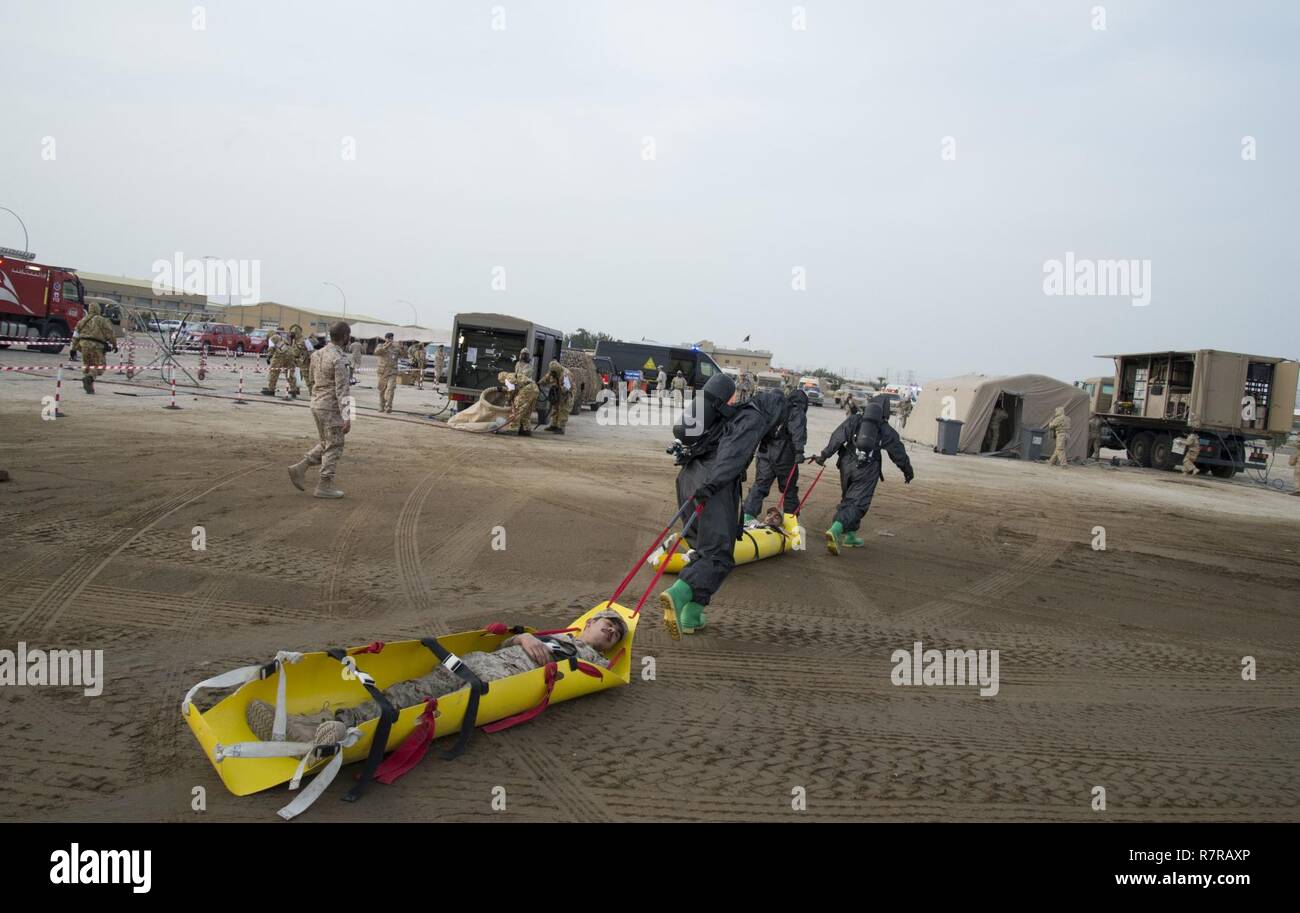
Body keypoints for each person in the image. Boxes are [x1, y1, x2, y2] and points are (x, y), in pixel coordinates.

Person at [245, 611, 628, 743]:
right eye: (608, 626)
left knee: (412, 708)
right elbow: (509, 639)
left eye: (614, 636)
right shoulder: (553, 635)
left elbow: (599, 676)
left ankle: (318, 731)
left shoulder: (595, 661)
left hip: (495, 683)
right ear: (590, 622)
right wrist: (525, 635)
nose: (610, 633)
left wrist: (601, 659)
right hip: (473, 664)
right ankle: (315, 725)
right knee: (403, 693)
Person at [658, 377, 786, 638]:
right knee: (718, 555)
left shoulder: (730, 411)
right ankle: (679, 592)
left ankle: (692, 616)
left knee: (702, 549)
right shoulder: (754, 418)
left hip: (689, 477)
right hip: (713, 483)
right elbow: (732, 454)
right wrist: (714, 485)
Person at [812, 401, 913, 554]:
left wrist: (824, 456)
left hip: (846, 465)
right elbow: (898, 452)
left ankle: (851, 536)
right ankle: (836, 528)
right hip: (867, 468)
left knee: (849, 498)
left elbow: (837, 437)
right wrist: (907, 471)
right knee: (857, 503)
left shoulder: (854, 419)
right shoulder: (885, 429)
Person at [287, 322, 353, 499]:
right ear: (345, 336)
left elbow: (310, 378)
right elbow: (343, 389)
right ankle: (325, 484)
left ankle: (300, 468)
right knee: (335, 445)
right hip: (331, 407)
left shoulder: (317, 354)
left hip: (316, 403)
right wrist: (348, 416)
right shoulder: (339, 358)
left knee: (326, 442)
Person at [742, 375, 808, 522]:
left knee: (759, 486)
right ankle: (791, 523)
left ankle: (747, 517)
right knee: (789, 490)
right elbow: (797, 430)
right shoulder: (795, 411)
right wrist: (799, 451)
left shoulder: (768, 411)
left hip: (764, 453)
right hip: (785, 456)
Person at [74, 301, 116, 394]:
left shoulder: (82, 320)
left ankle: (90, 387)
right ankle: (90, 378)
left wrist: (72, 349)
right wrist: (114, 345)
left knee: (87, 365)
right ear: (98, 309)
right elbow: (110, 333)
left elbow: (75, 334)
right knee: (100, 366)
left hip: (83, 345)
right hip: (97, 346)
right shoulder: (102, 320)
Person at [262, 325, 308, 399]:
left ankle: (271, 389)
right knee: (290, 373)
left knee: (274, 372)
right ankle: (294, 390)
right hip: (290, 355)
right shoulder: (282, 338)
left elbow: (271, 349)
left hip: (280, 355)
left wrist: (268, 357)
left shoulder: (272, 338)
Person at [498, 369, 539, 436]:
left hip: (526, 390)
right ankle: (526, 429)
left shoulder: (508, 378)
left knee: (517, 409)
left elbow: (511, 390)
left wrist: (509, 398)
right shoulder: (515, 375)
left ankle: (513, 429)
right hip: (535, 388)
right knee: (526, 411)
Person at [540, 359, 574, 434]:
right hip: (557, 393)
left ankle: (561, 428)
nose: (553, 374)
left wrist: (559, 390)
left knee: (563, 410)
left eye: (554, 372)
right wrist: (539, 383)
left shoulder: (565, 374)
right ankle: (553, 425)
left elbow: (567, 388)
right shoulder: (552, 372)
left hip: (566, 395)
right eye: (552, 372)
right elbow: (546, 379)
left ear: (557, 369)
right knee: (555, 409)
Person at [374, 332, 401, 413]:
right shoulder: (380, 346)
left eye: (391, 338)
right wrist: (386, 347)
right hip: (382, 372)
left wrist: (401, 346)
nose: (390, 340)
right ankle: (381, 406)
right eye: (388, 338)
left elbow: (403, 354)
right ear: (385, 339)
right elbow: (377, 352)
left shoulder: (395, 348)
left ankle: (388, 406)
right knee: (382, 389)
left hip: (392, 372)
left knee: (390, 389)